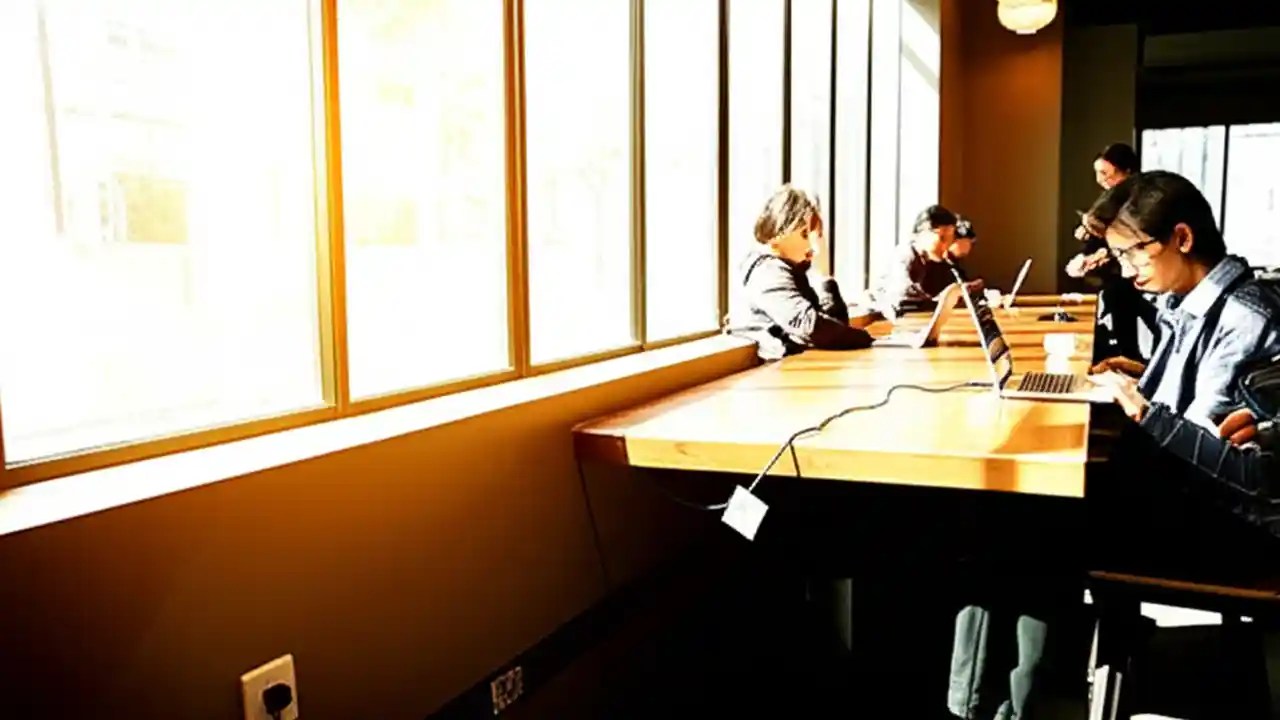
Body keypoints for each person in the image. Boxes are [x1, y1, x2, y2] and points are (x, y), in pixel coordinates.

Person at [1087, 170, 1280, 431]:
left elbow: (1199, 440)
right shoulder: (1182, 299)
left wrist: (1137, 403)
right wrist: (1145, 378)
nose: (1126, 271)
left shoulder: (1243, 321)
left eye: (1130, 253)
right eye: (1119, 256)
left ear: (1182, 238)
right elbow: (1189, 399)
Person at [727, 185, 871, 361]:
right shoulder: (767, 271)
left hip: (789, 364)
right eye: (804, 235)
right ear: (781, 232)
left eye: (815, 236)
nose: (812, 246)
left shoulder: (791, 271)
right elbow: (809, 326)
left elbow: (835, 328)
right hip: (771, 370)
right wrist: (863, 337)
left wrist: (826, 278)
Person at [1064, 143, 1156, 363]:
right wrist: (1088, 257)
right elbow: (1102, 241)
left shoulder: (1145, 203)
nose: (1100, 180)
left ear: (1128, 172)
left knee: (1160, 336)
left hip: (1146, 282)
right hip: (1120, 286)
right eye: (1097, 173)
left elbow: (1141, 244)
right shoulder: (1111, 201)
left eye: (1106, 173)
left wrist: (1106, 254)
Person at [865, 204, 981, 320]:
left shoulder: (935, 260)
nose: (946, 245)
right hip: (877, 319)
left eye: (950, 238)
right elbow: (903, 303)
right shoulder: (906, 257)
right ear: (922, 235)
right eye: (942, 238)